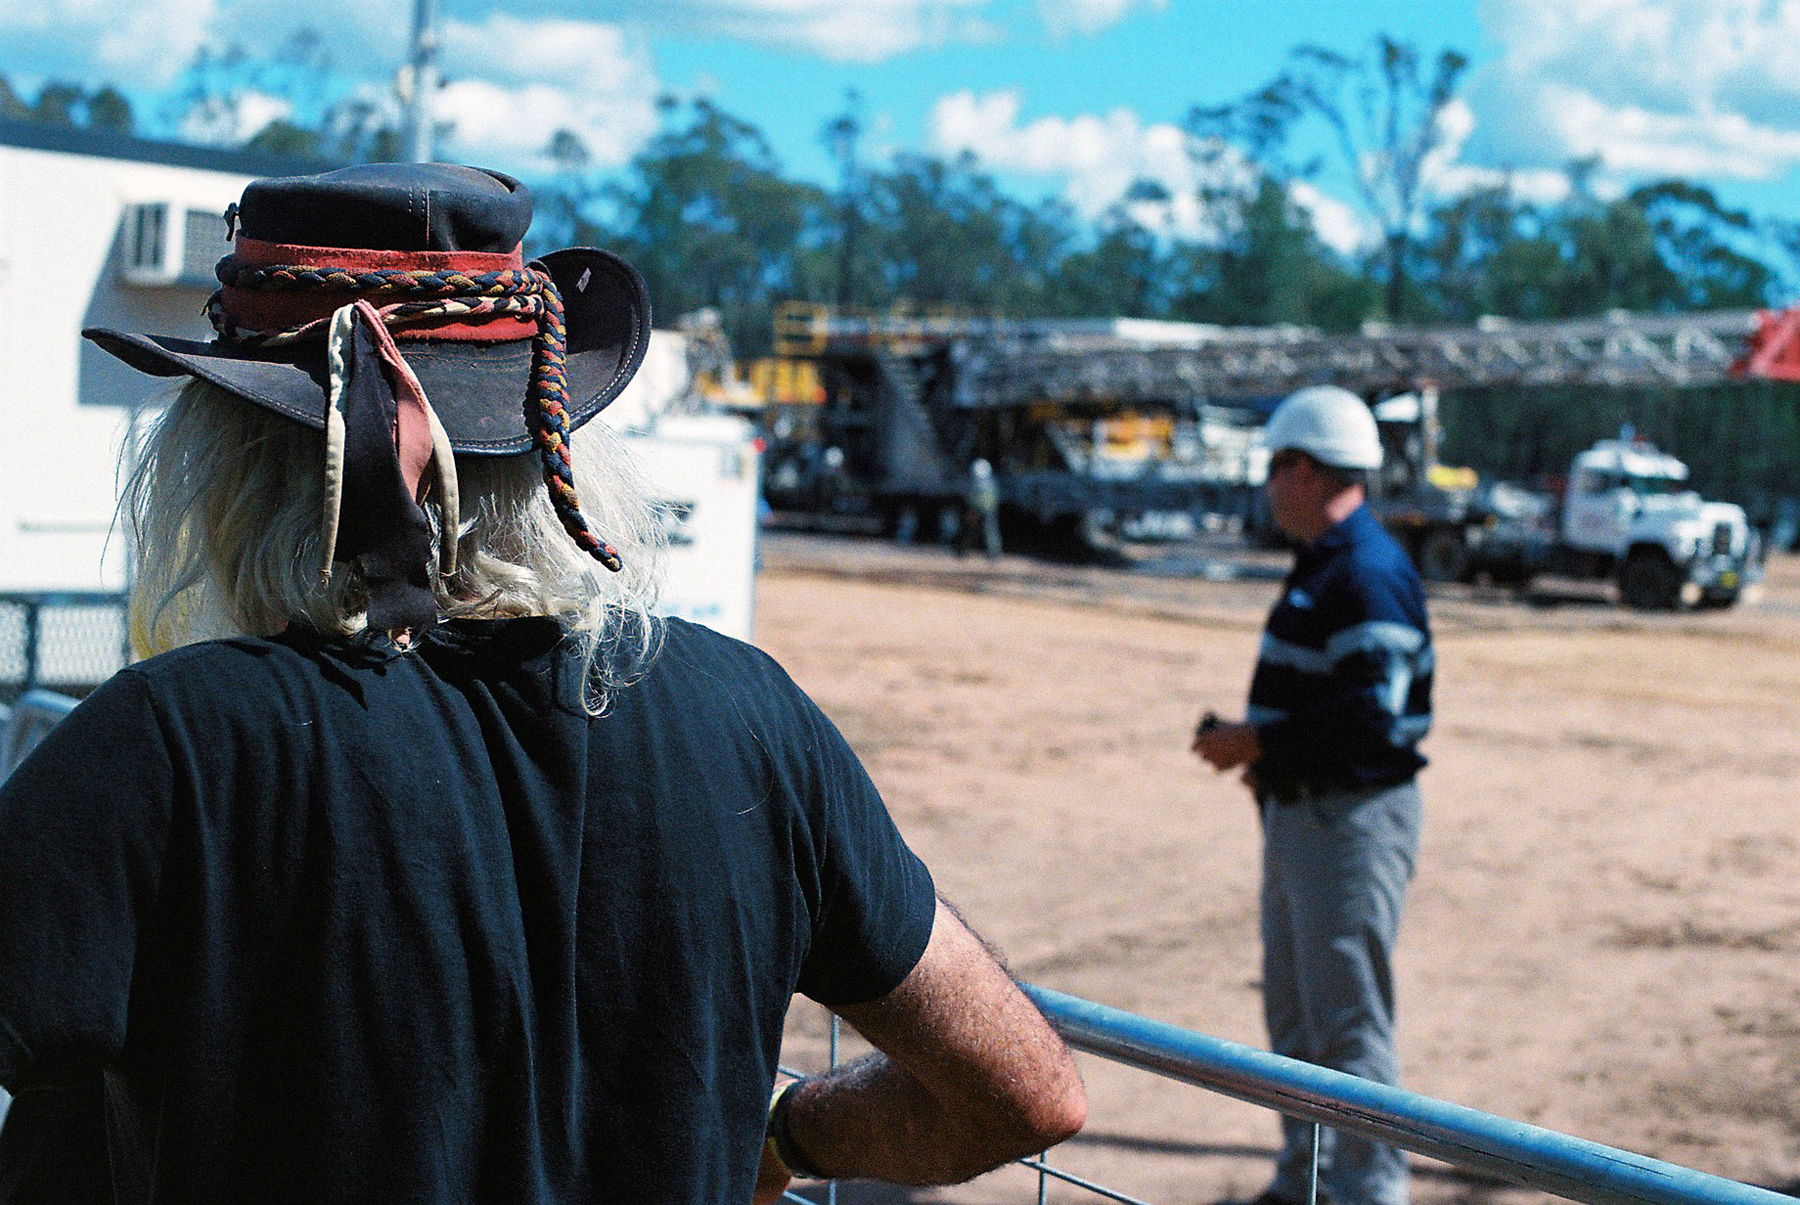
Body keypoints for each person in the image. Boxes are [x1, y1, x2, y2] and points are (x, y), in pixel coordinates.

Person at [0, 162, 1084, 1204]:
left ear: (235, 456)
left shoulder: (176, 739)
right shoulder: (752, 716)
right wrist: (786, 1134)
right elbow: (1025, 1089)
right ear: (549, 426)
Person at [1192, 385, 1432, 1205]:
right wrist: (1260, 741)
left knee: (1347, 1023)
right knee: (1295, 1019)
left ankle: (1370, 1192)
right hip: (1306, 813)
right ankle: (1310, 1180)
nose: (1267, 485)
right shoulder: (1329, 563)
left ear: (1305, 467)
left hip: (1348, 822)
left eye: (1274, 468)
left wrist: (1258, 741)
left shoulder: (1365, 571)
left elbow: (1378, 712)